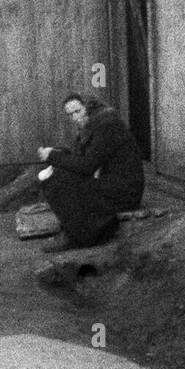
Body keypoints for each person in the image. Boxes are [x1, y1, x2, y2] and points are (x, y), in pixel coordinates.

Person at [36, 93, 144, 251]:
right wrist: (56, 153)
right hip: (112, 183)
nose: (74, 118)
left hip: (125, 190)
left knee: (62, 179)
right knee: (61, 173)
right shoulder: (94, 125)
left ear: (88, 108)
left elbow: (87, 165)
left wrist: (53, 156)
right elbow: (83, 156)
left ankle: (79, 236)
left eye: (77, 111)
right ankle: (74, 230)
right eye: (70, 114)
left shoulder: (107, 125)